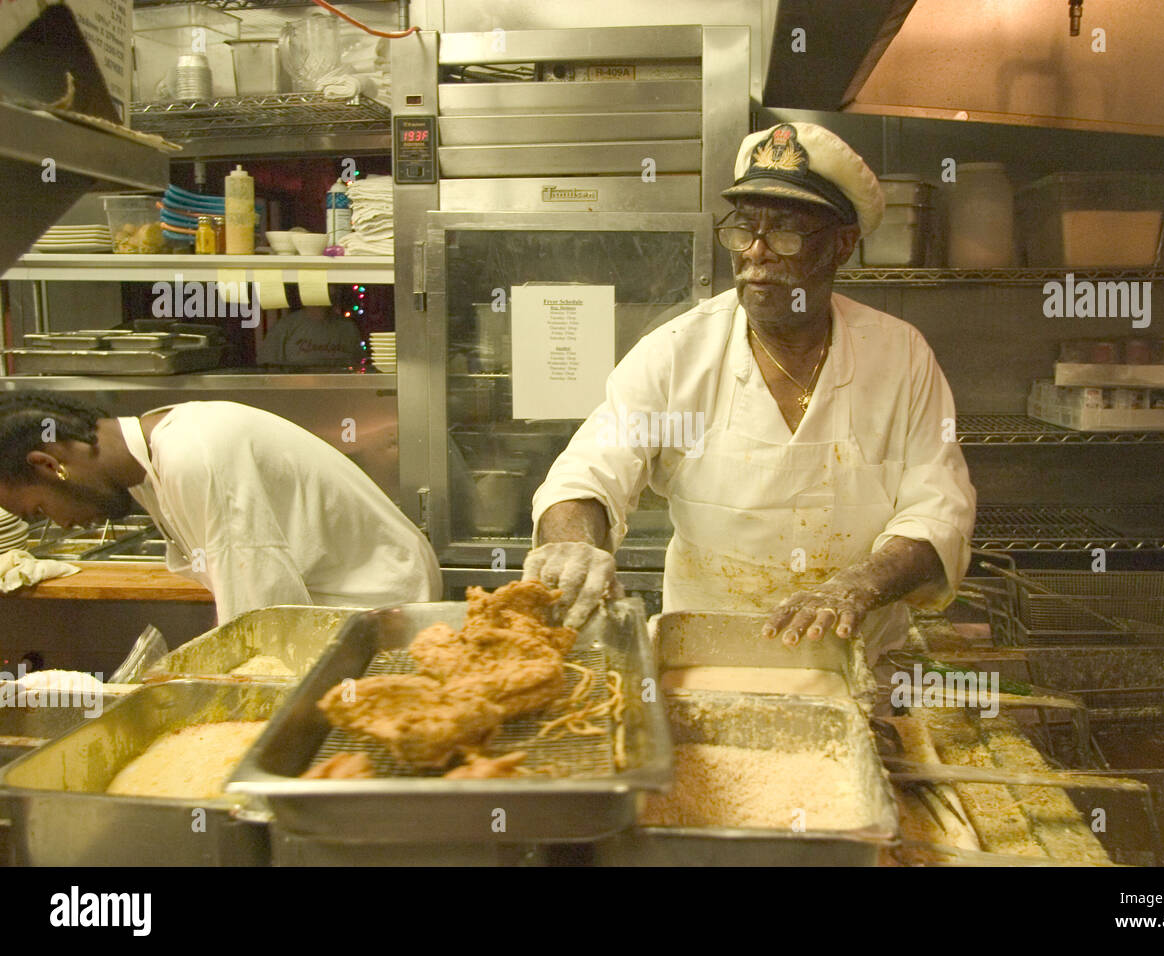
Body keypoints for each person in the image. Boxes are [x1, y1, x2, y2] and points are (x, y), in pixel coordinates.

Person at [523, 122, 976, 660]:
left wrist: (854, 587)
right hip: (706, 662)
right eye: (743, 230)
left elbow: (938, 509)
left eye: (784, 233)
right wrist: (574, 546)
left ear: (842, 245)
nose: (755, 252)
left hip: (859, 663)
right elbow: (587, 473)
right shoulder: (676, 352)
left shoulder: (899, 356)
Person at [0, 393, 441, 622]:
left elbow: (266, 622)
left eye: (39, 511)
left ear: (48, 464)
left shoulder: (194, 456)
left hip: (379, 610)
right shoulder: (152, 458)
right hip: (341, 606)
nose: (63, 525)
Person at [256, 285, 365, 368]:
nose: (331, 292)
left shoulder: (348, 328)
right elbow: (268, 367)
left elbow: (357, 364)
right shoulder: (285, 327)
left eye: (332, 288)